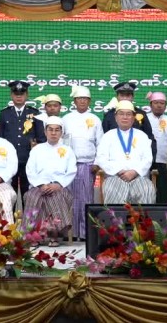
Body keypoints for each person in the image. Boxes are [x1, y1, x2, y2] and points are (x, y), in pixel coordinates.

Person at [25, 116, 77, 246]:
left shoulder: (68, 150)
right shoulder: (37, 149)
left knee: (55, 196)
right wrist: (41, 185)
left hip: (60, 187)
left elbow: (71, 171)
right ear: (45, 132)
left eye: (57, 130)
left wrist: (58, 184)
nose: (53, 133)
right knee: (32, 195)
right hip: (39, 186)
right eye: (50, 130)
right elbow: (30, 170)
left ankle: (53, 234)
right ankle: (34, 234)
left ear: (61, 132)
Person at [61, 85, 104, 240]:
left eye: (85, 99)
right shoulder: (65, 118)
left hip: (88, 165)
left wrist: (97, 162)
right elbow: (61, 142)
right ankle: (68, 233)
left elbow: (101, 143)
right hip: (69, 166)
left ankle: (86, 233)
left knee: (86, 199)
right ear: (74, 101)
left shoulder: (95, 119)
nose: (82, 101)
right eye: (79, 99)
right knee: (69, 198)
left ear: (89, 101)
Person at [96, 100, 155, 204]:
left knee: (147, 190)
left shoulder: (142, 136)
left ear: (133, 118)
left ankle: (142, 221)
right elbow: (101, 159)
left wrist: (134, 172)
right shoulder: (108, 136)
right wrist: (119, 171)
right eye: (121, 114)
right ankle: (117, 221)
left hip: (138, 176)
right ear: (116, 117)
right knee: (112, 192)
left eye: (128, 114)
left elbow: (147, 159)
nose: (125, 117)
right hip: (115, 176)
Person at [0, 80, 45, 202]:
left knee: (28, 195)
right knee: (8, 195)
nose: (19, 96)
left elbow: (41, 138)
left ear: (27, 95)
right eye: (16, 94)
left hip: (28, 160)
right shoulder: (4, 114)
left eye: (22, 94)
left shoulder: (34, 113)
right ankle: (10, 221)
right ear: (11, 95)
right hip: (9, 161)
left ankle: (27, 221)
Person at [101, 81, 156, 157]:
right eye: (122, 95)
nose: (125, 98)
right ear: (117, 97)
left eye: (128, 95)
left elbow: (149, 138)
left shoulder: (141, 114)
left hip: (138, 159)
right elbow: (104, 139)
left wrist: (150, 162)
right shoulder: (109, 115)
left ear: (132, 97)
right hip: (115, 159)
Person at [146, 91, 167, 203]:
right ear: (150, 105)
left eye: (162, 103)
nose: (159, 105)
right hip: (146, 163)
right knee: (146, 193)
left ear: (166, 105)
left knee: (163, 194)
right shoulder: (144, 120)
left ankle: (162, 218)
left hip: (164, 163)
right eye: (156, 103)